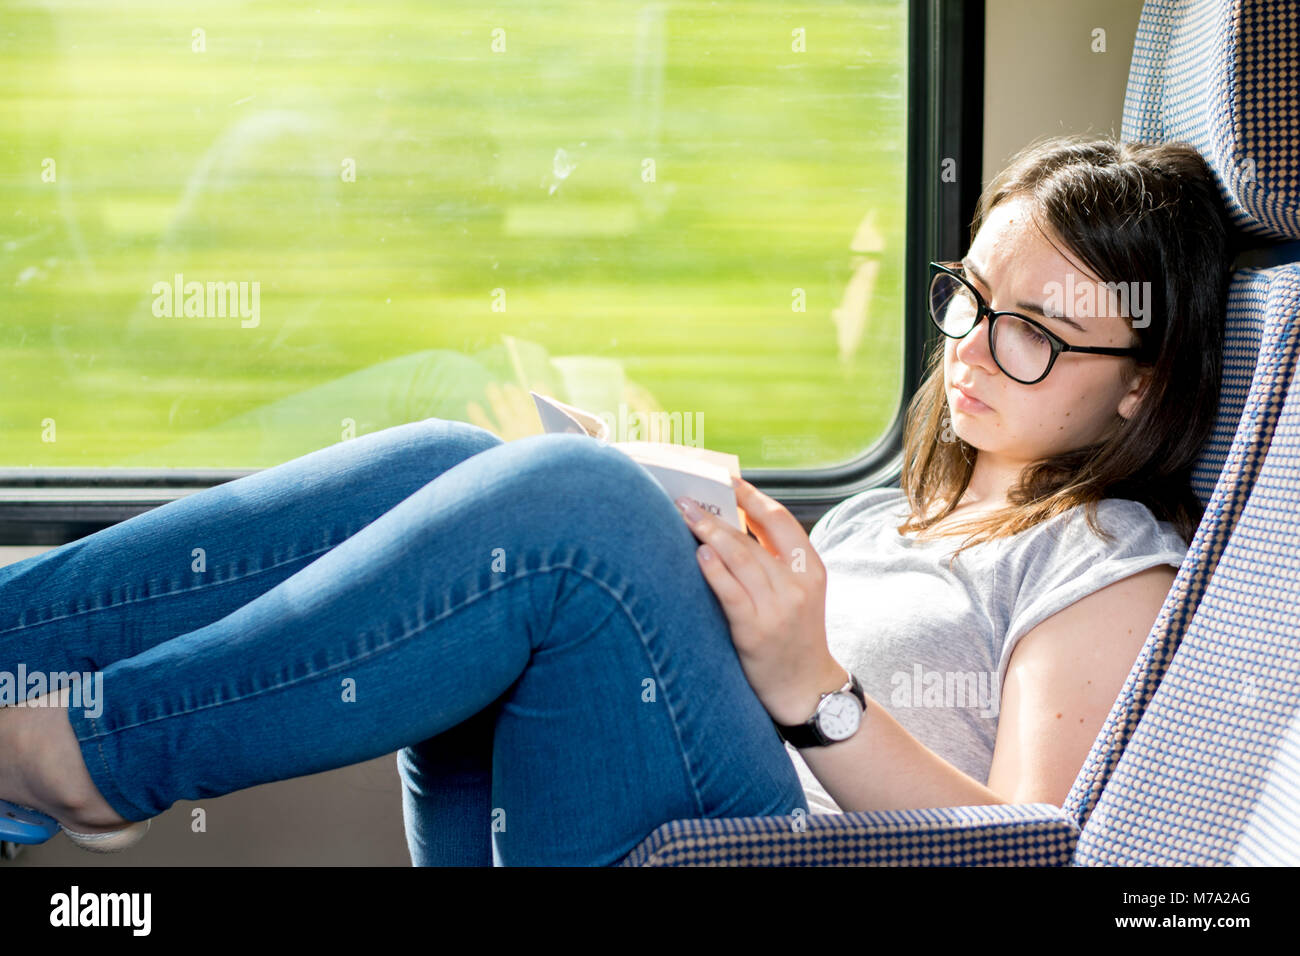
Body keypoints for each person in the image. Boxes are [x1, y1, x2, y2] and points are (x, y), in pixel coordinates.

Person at [0, 134, 1235, 865]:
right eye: (969, 297)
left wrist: (817, 690)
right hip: (671, 805)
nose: (969, 345)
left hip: (768, 850)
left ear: (1140, 388)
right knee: (450, 452)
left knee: (574, 514)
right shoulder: (890, 515)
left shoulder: (1103, 558)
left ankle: (96, 755)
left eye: (1033, 332)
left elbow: (1031, 851)